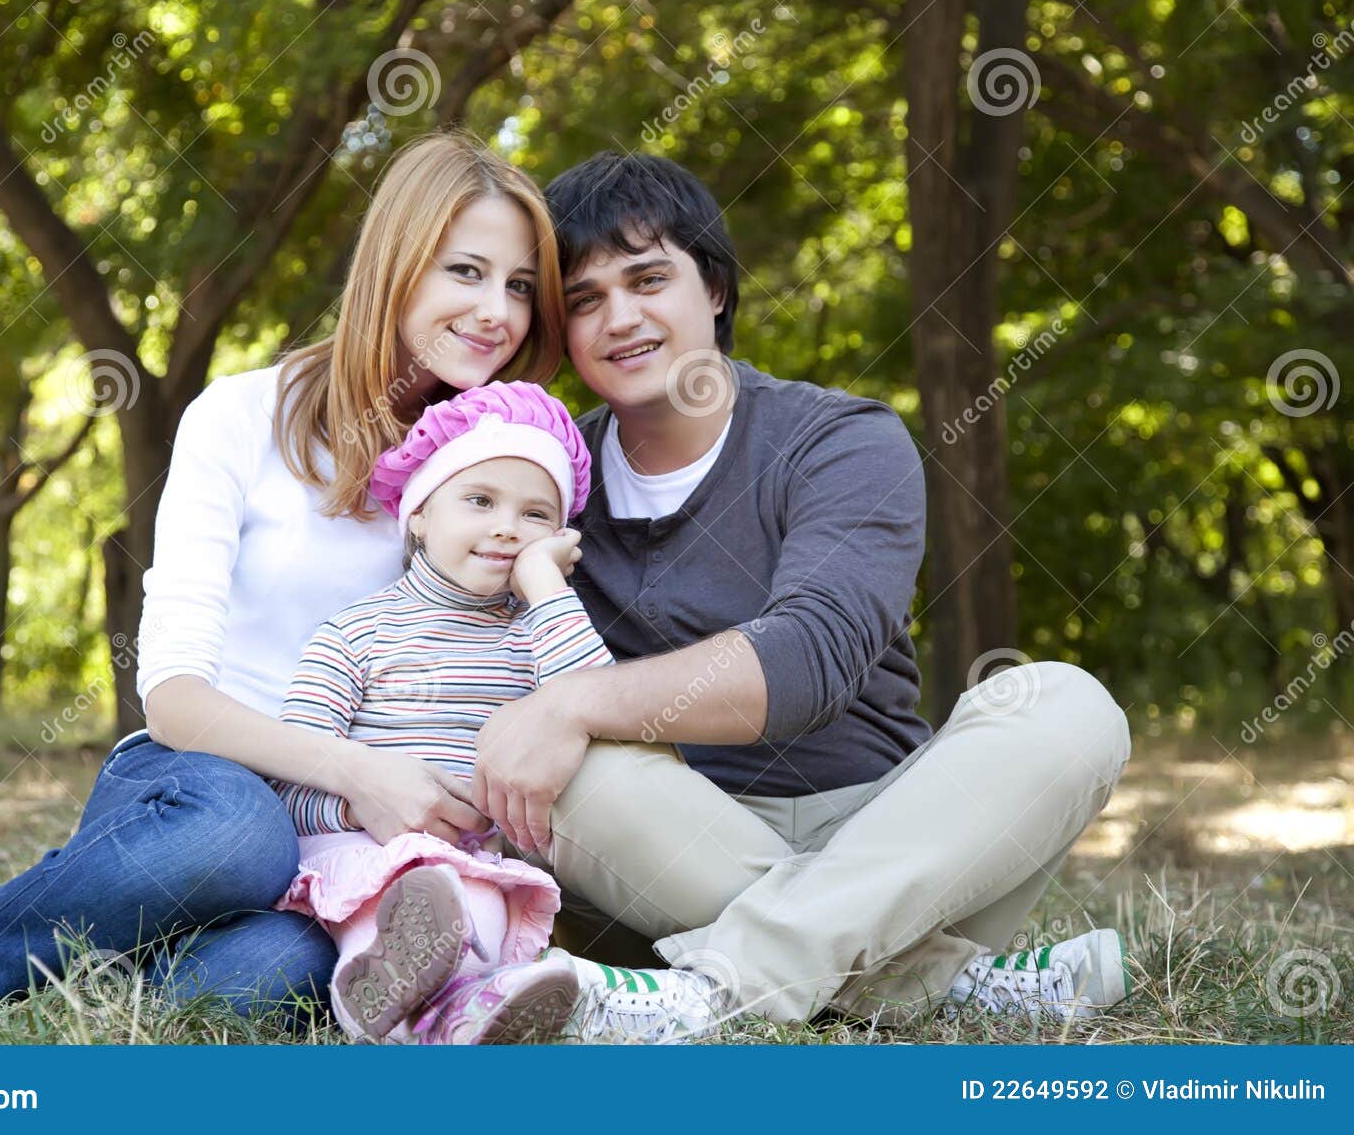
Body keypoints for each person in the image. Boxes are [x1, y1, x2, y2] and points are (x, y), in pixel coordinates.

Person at [0, 130, 566, 1018]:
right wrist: (361, 770)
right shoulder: (242, 415)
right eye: (467, 271)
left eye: (520, 285)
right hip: (198, 789)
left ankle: (91, 970)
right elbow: (174, 695)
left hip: (347, 855)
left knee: (270, 976)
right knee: (238, 837)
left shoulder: (509, 474)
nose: (499, 310)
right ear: (396, 265)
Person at [466, 152, 1135, 1042]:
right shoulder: (547, 481)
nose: (619, 318)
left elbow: (806, 659)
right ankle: (947, 985)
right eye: (584, 299)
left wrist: (575, 701)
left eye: (649, 278)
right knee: (565, 773)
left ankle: (719, 988)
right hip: (673, 842)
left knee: (1065, 705)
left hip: (897, 828)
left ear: (713, 288)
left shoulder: (839, 439)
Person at [272, 381, 612, 1044]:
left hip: (473, 861)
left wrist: (544, 584)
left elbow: (597, 706)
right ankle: (395, 999)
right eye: (479, 500)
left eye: (537, 515)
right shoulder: (355, 632)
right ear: (420, 514)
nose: (508, 525)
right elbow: (289, 778)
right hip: (359, 850)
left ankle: (452, 1015)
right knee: (415, 905)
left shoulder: (539, 632)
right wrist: (353, 810)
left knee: (469, 901)